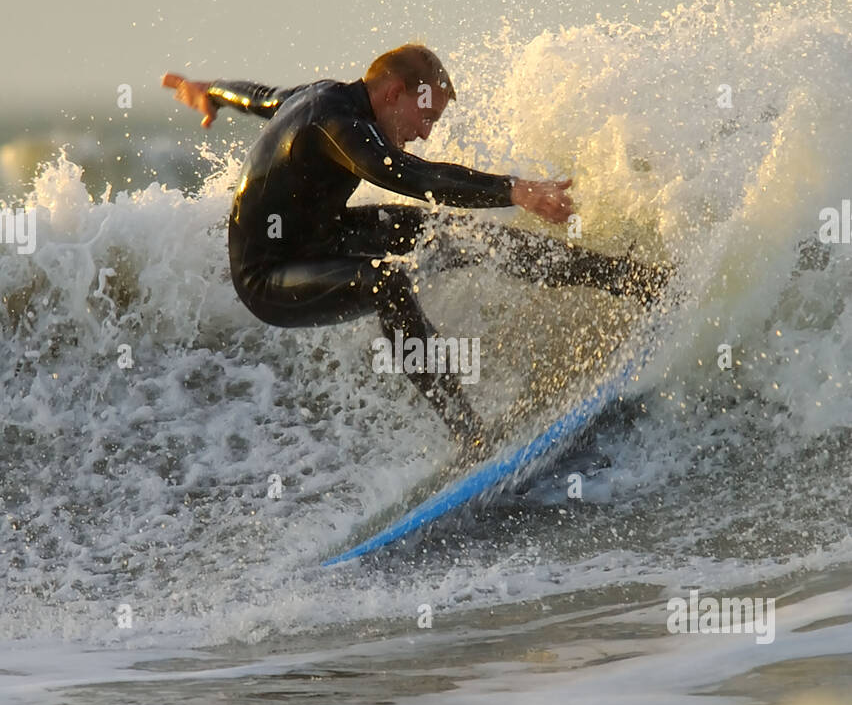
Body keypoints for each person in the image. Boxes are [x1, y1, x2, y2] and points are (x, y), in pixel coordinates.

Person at [162, 45, 669, 449]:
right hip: (270, 274)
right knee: (385, 282)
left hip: (326, 232)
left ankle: (633, 280)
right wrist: (515, 190)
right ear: (395, 92)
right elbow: (408, 175)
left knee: (463, 236)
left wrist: (210, 91)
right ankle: (469, 433)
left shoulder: (330, 97)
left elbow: (262, 96)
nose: (425, 133)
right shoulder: (336, 123)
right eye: (426, 117)